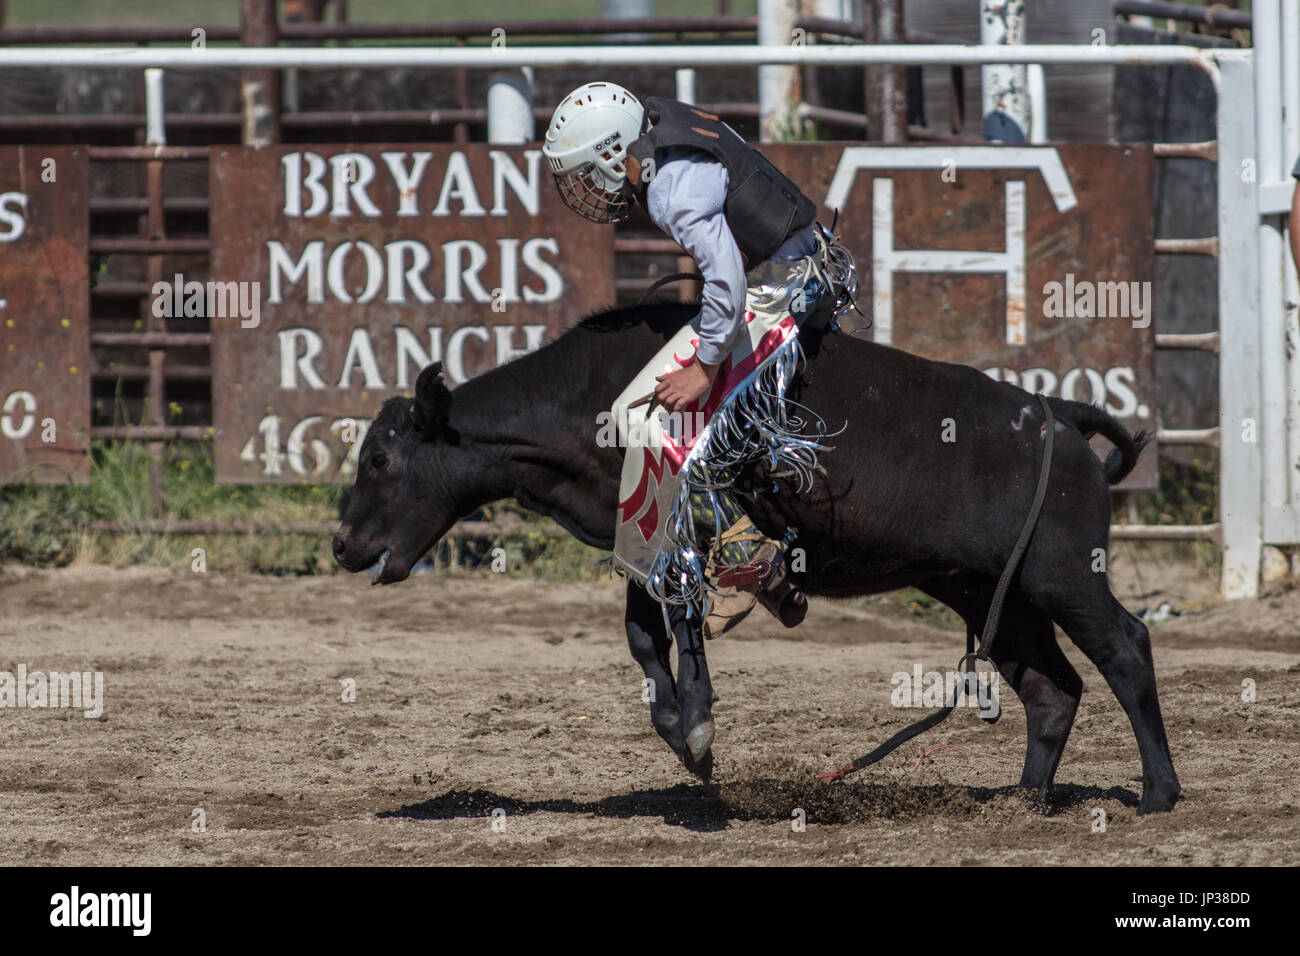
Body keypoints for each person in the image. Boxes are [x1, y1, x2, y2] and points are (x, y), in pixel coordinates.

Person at [542, 81, 856, 635]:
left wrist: (704, 367)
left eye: (588, 170)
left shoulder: (670, 192)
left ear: (616, 156)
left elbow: (727, 282)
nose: (588, 188)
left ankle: (742, 559)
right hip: (806, 263)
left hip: (786, 285)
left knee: (643, 419)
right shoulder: (664, 123)